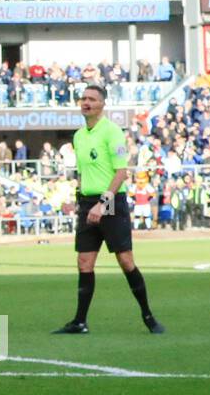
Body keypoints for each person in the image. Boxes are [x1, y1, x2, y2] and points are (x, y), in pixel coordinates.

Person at [53, 84, 165, 334]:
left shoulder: (113, 132)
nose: (86, 103)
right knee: (84, 262)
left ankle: (148, 317)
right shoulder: (79, 136)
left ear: (102, 104)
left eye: (91, 99)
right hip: (87, 203)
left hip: (111, 203)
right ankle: (80, 322)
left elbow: (122, 172)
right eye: (83, 98)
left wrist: (103, 204)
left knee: (125, 261)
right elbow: (83, 171)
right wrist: (79, 195)